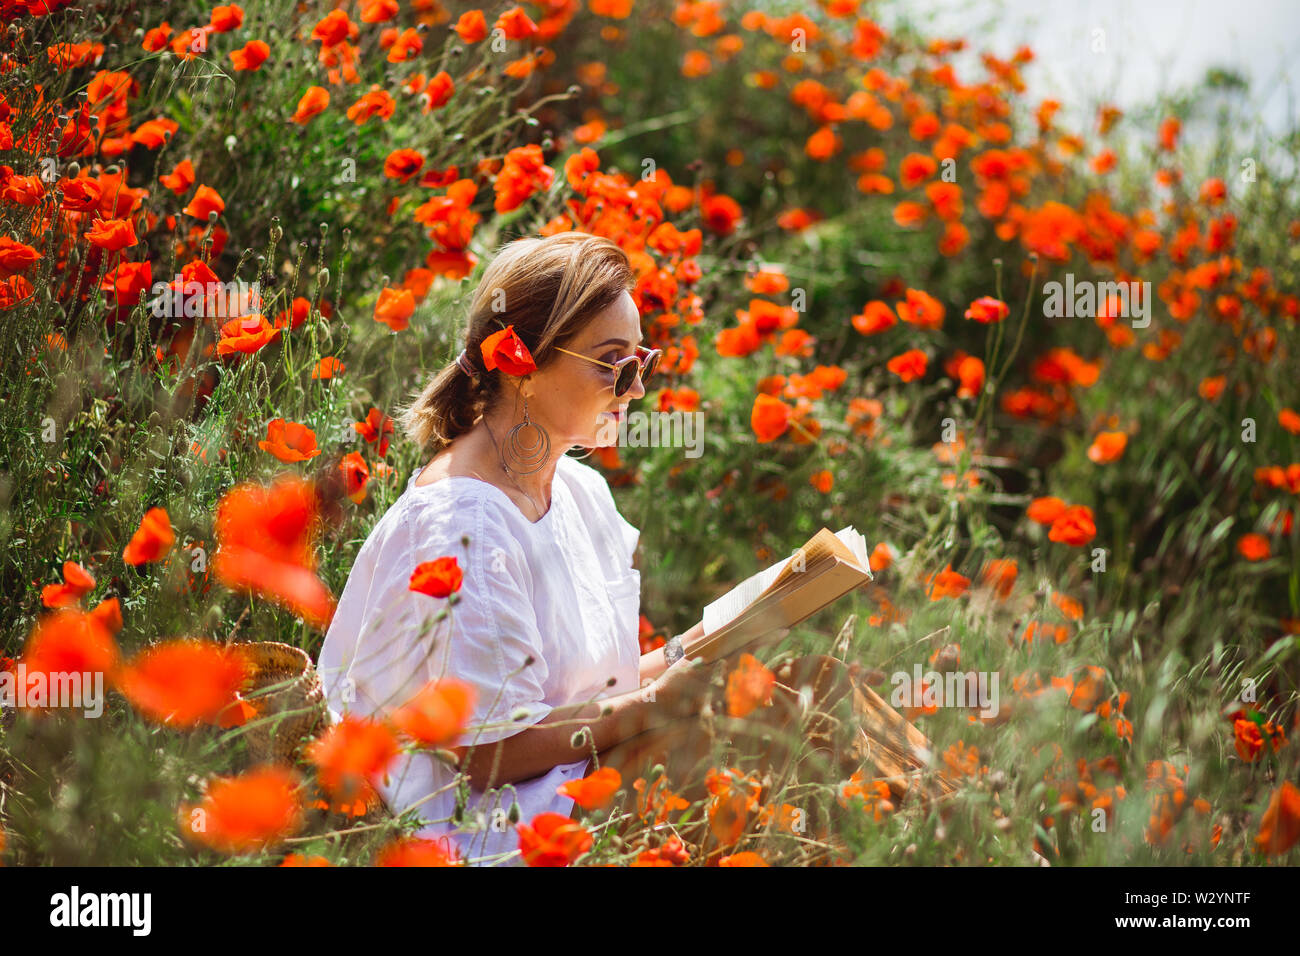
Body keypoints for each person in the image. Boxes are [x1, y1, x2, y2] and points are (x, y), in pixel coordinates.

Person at [316, 231, 863, 866]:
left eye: (641, 362)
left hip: (568, 780)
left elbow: (597, 688)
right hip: (489, 826)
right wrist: (659, 703)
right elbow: (487, 754)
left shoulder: (576, 488)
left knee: (813, 693)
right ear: (522, 362)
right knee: (767, 741)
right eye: (612, 364)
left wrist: (709, 644)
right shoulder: (463, 524)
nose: (633, 389)